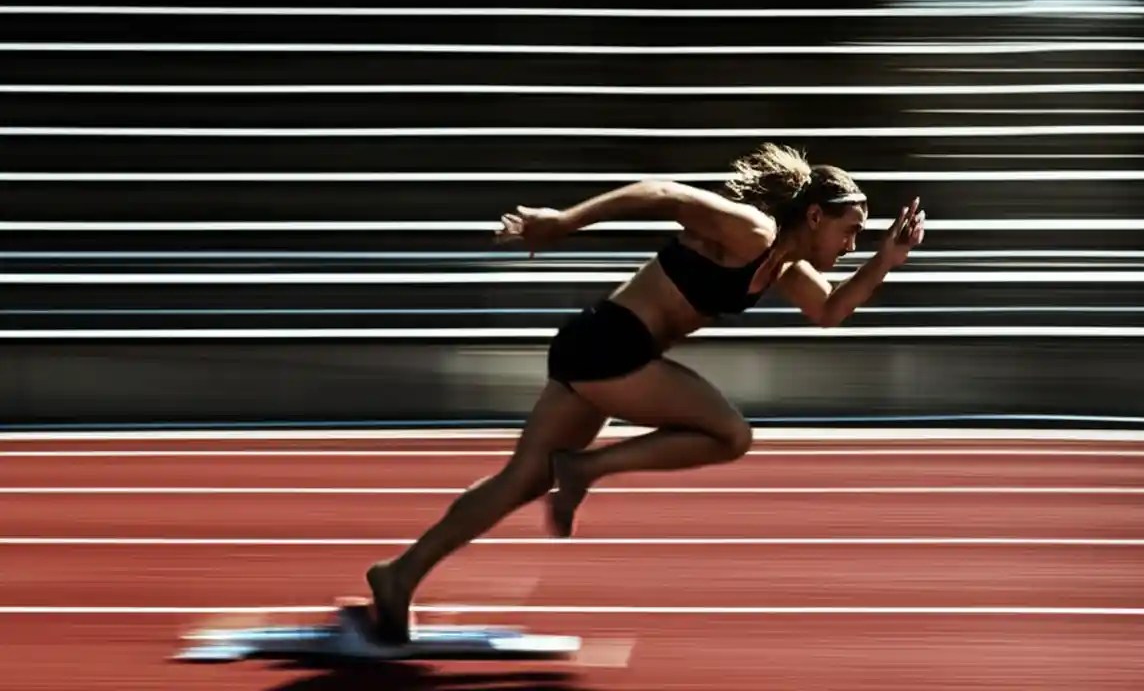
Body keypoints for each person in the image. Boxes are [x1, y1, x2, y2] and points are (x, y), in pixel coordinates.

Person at [364, 142, 926, 643]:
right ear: (812, 214)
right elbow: (659, 191)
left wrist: (886, 262)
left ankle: (399, 575)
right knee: (730, 434)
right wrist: (563, 222)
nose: (853, 244)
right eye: (850, 229)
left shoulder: (784, 266)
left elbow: (828, 310)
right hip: (613, 345)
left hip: (599, 348)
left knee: (525, 477)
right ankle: (586, 469)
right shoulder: (752, 230)